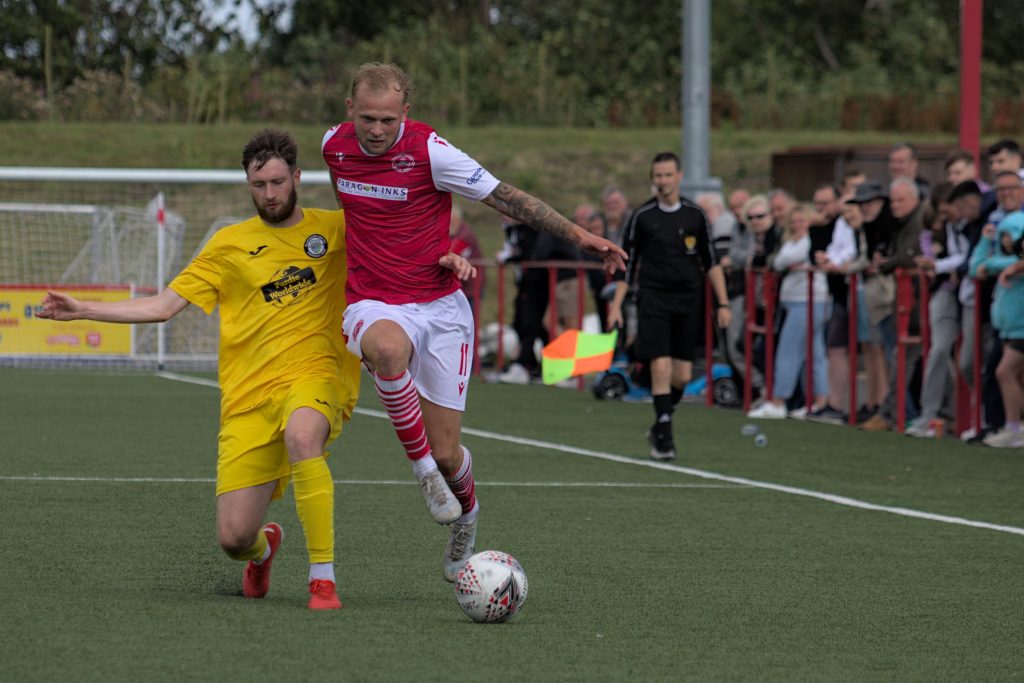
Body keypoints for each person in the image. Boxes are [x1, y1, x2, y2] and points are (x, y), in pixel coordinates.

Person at [35, 129, 378, 610]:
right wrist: (83, 309)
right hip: (248, 398)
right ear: (247, 183)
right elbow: (163, 306)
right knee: (234, 537)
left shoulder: (336, 229)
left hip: (314, 375)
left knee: (304, 437)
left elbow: (396, 245)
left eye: (278, 182)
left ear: (297, 177)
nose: (270, 194)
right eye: (258, 185)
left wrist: (443, 258)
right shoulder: (228, 244)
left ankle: (322, 578)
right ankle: (264, 549)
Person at [321, 62, 626, 582]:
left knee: (447, 452)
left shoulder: (432, 151)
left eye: (388, 120)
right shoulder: (333, 147)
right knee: (388, 351)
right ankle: (422, 475)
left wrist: (582, 237)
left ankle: (467, 516)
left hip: (440, 308)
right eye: (367, 118)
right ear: (350, 111)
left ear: (406, 113)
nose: (376, 130)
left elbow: (507, 196)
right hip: (374, 302)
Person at [607, 151, 730, 460]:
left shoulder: (695, 215)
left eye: (667, 175)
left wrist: (723, 303)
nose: (662, 181)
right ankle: (665, 434)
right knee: (660, 365)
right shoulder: (642, 216)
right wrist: (616, 305)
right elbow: (627, 264)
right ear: (653, 179)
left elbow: (711, 262)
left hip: (689, 300)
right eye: (657, 175)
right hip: (653, 298)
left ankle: (661, 421)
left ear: (679, 176)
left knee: (683, 376)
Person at [747, 204, 831, 420]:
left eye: (802, 220)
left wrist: (787, 263)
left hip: (808, 300)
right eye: (794, 221)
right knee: (814, 353)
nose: (797, 225)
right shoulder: (791, 241)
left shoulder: (811, 239)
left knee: (788, 351)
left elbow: (785, 260)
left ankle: (778, 401)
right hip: (797, 300)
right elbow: (777, 260)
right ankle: (818, 402)